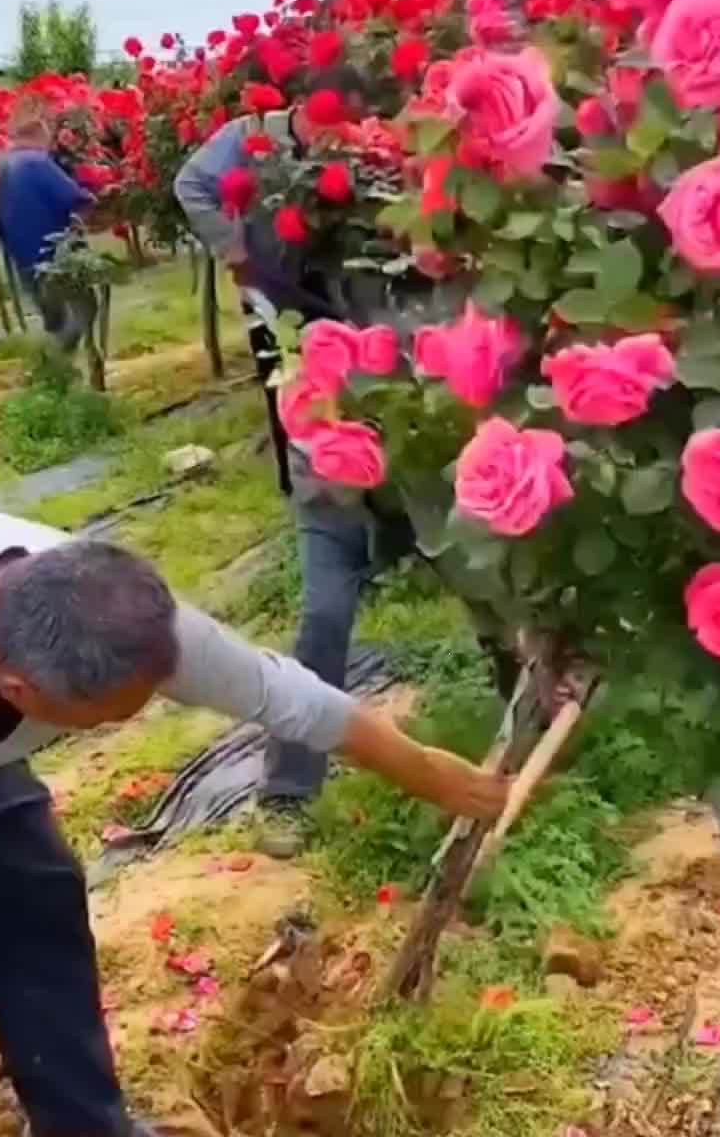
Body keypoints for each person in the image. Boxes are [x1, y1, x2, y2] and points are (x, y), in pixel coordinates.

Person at [0, 499, 506, 1137]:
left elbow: (288, 697)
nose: (125, 722)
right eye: (103, 719)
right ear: (19, 691)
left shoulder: (119, 616)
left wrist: (427, 770)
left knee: (31, 903)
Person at [175, 72, 518, 858]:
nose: (363, 146)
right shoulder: (286, 261)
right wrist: (239, 258)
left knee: (482, 590)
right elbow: (195, 188)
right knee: (326, 615)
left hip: (416, 453)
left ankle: (521, 725)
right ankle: (289, 791)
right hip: (331, 452)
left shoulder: (413, 246)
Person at [0, 98, 93, 349]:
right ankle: (62, 359)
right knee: (81, 308)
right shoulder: (36, 162)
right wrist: (92, 197)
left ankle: (57, 362)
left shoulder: (2, 165)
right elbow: (71, 196)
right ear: (38, 137)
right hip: (52, 247)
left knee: (50, 311)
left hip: (21, 252)